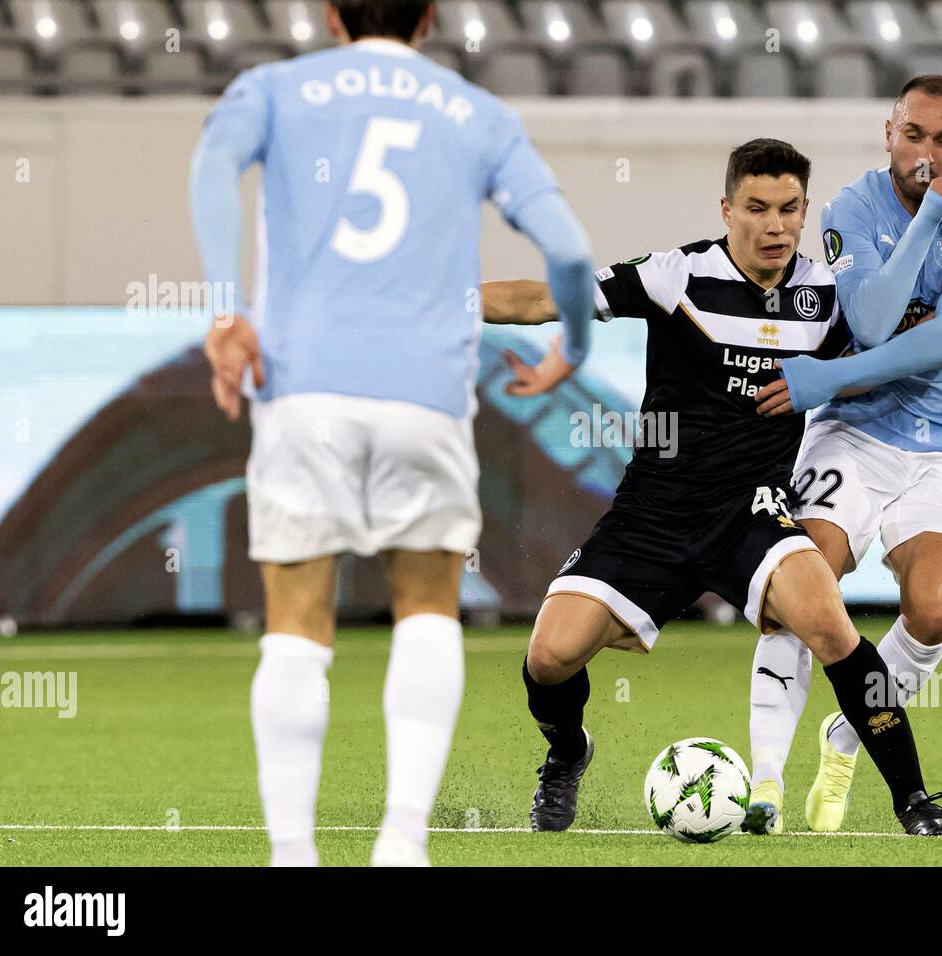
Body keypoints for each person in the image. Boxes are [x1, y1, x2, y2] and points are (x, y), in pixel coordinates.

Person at [190, 0, 595, 866]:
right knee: (426, 611)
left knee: (295, 626)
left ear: (331, 15)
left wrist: (227, 311)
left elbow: (211, 165)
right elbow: (566, 246)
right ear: (432, 16)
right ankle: (401, 842)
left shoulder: (272, 87)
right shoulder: (480, 114)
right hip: (426, 396)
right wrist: (576, 345)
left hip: (302, 390)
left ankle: (293, 854)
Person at [482, 138, 942, 838]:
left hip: (754, 513)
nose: (775, 226)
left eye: (790, 209)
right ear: (727, 208)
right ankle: (567, 752)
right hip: (653, 514)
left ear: (805, 211)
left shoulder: (827, 298)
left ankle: (914, 800)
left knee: (829, 623)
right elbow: (540, 299)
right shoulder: (676, 276)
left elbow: (895, 343)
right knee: (549, 657)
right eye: (757, 209)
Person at [746, 75, 942, 834]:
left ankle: (851, 732)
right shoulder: (850, 209)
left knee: (932, 612)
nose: (928, 154)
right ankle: (764, 784)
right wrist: (930, 217)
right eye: (914, 135)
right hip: (856, 436)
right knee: (801, 587)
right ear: (888, 131)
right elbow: (870, 320)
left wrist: (823, 378)